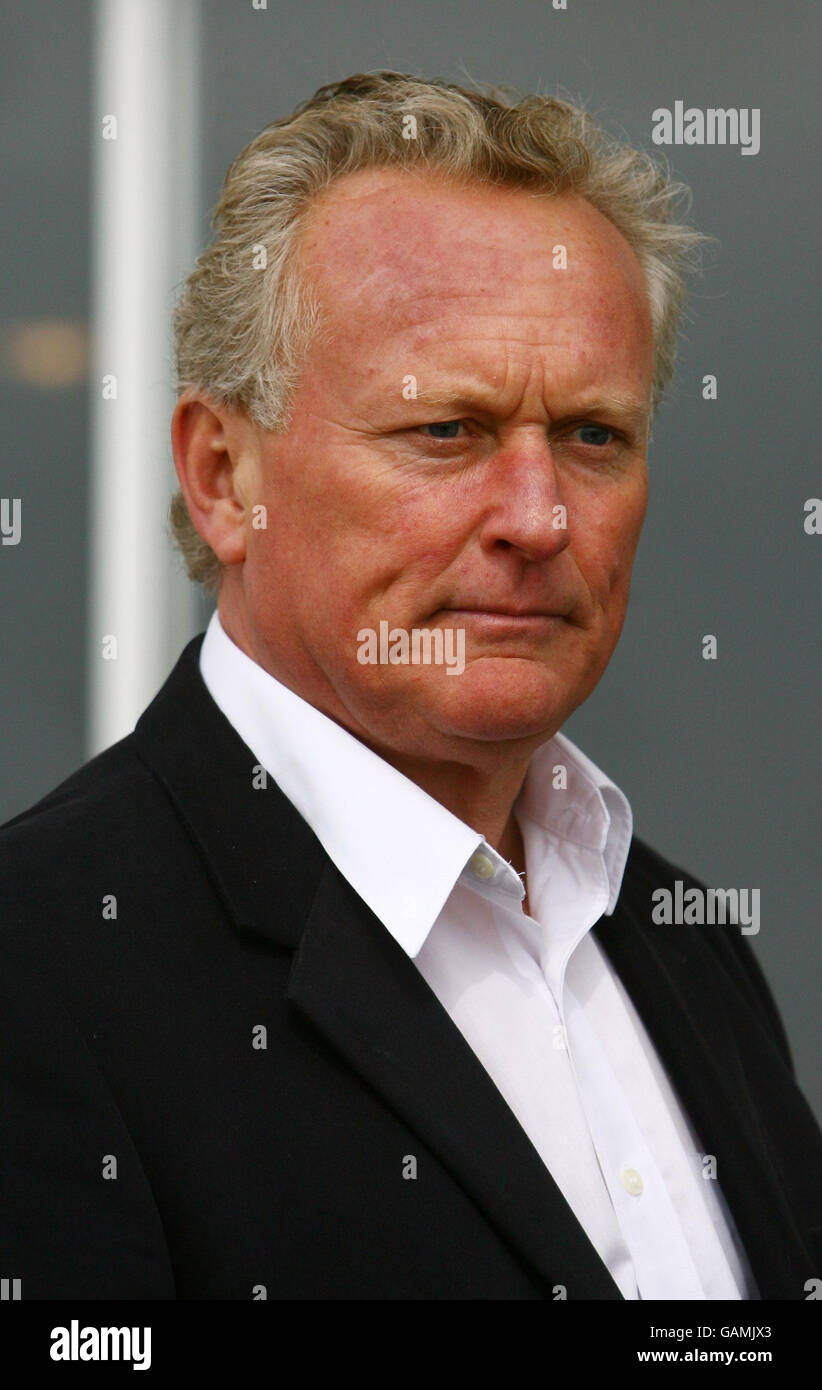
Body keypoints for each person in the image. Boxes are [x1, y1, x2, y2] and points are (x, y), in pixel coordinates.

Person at [2, 72, 821, 1301]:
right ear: (225, 476)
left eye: (594, 435)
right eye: (446, 430)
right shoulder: (41, 972)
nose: (538, 517)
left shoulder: (678, 942)